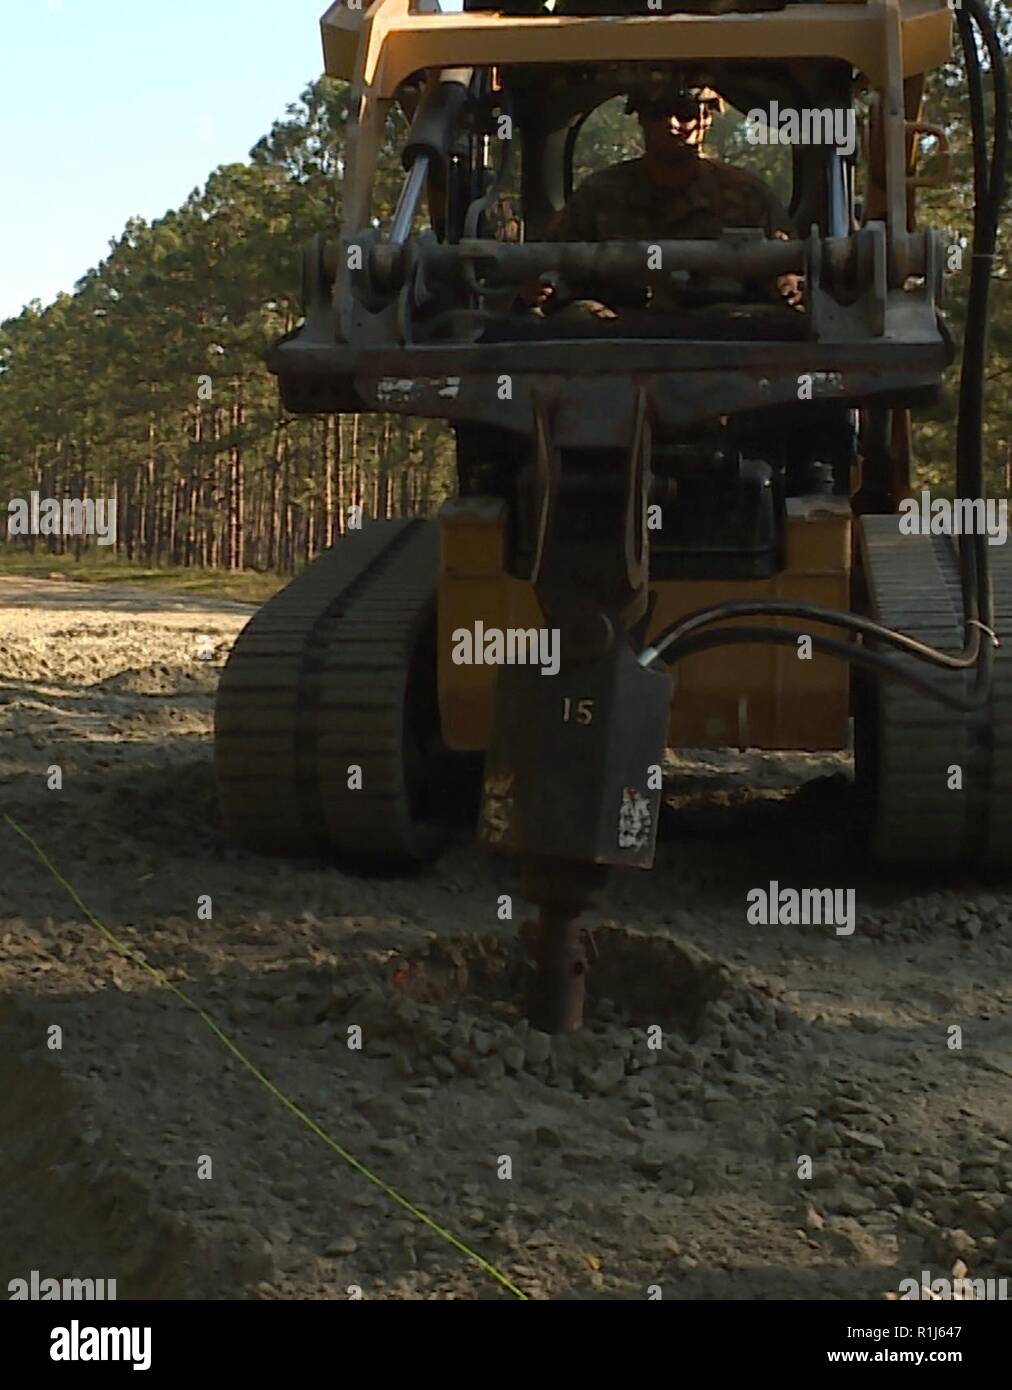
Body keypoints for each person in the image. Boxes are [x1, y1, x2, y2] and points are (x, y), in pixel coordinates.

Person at [532, 87, 803, 317]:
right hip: (616, 339)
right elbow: (553, 262)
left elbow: (784, 265)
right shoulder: (599, 193)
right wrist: (543, 288)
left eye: (684, 113)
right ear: (641, 119)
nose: (672, 124)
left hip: (719, 340)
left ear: (706, 119)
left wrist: (785, 286)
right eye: (657, 112)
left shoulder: (746, 194)